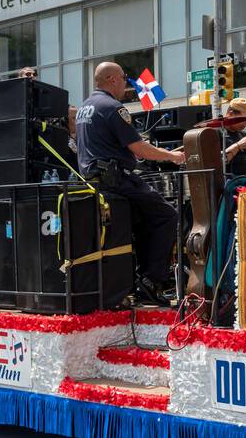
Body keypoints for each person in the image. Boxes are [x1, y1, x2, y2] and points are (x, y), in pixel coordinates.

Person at [76, 61, 185, 304]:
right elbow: (140, 149)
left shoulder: (85, 107)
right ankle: (151, 280)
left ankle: (138, 280)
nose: (127, 83)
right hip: (116, 181)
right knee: (167, 215)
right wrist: (173, 156)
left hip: (97, 180)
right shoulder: (113, 107)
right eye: (124, 78)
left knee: (142, 221)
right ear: (112, 79)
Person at [218, 96, 246, 180]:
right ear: (231, 114)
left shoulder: (243, 134)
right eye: (244, 120)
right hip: (228, 185)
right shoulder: (217, 133)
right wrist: (238, 145)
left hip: (245, 184)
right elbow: (216, 163)